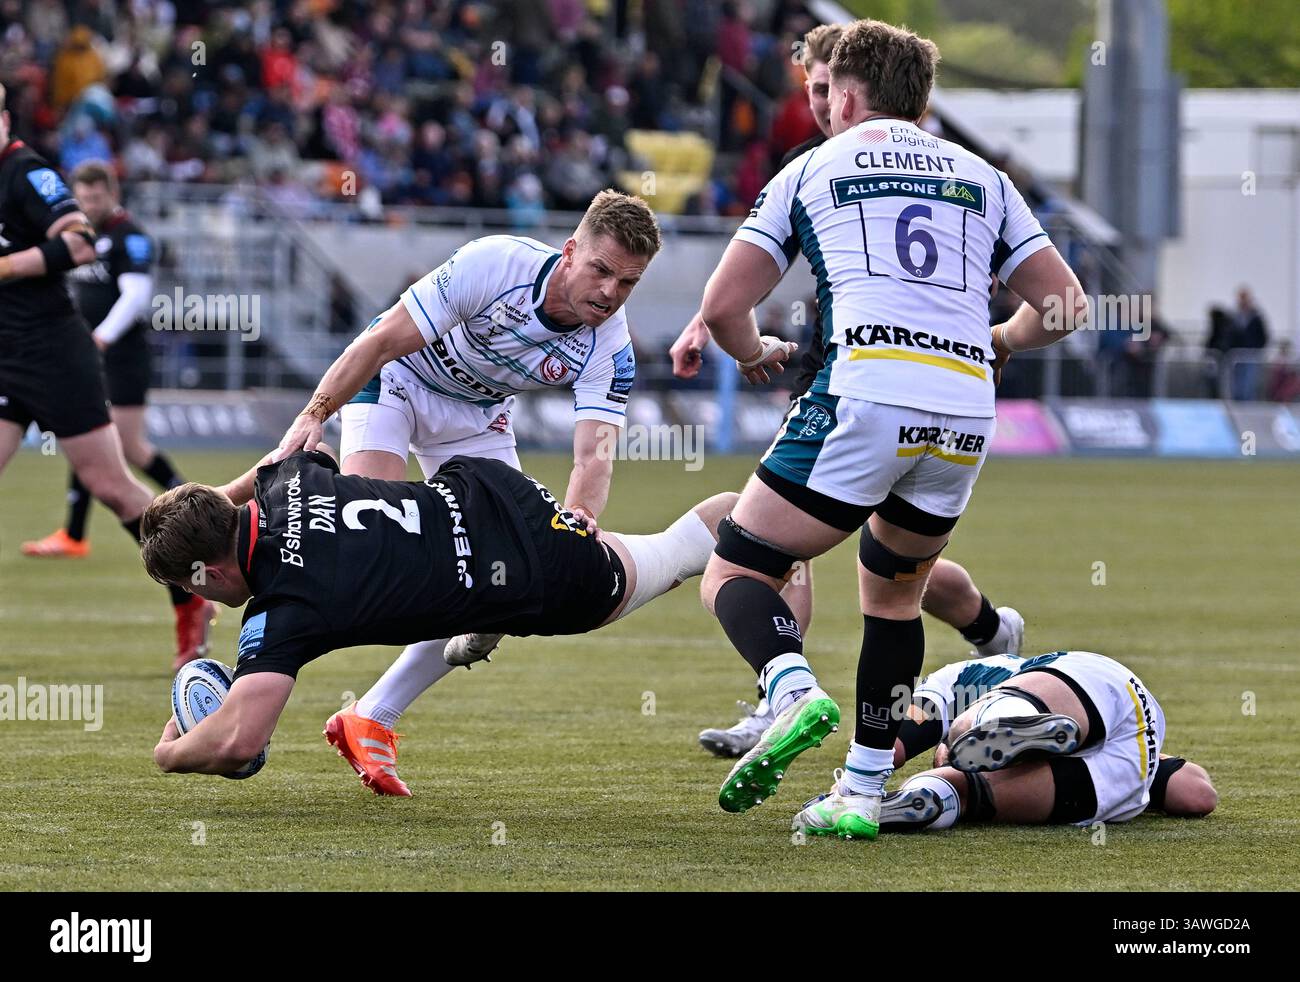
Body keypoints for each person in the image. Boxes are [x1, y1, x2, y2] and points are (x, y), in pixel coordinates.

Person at [694, 19, 1088, 838]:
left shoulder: (814, 166)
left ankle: (791, 688)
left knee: (736, 569)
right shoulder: (985, 175)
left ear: (845, 93)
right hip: (964, 407)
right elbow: (1065, 306)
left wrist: (753, 350)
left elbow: (724, 307)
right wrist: (1001, 340)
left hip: (866, 392)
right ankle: (863, 790)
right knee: (894, 597)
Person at [270, 190, 662, 794]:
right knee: (372, 545)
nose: (610, 293)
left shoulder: (610, 345)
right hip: (397, 381)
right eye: (601, 271)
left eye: (628, 283)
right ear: (570, 251)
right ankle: (254, 653)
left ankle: (370, 716)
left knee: (513, 572)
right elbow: (378, 344)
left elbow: (594, 453)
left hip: (478, 418)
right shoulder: (494, 264)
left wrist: (579, 519)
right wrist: (315, 413)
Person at [144, 447, 734, 785]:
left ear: (211, 573)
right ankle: (476, 621)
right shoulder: (285, 481)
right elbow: (291, 456)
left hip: (538, 568)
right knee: (452, 574)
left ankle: (768, 523)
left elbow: (240, 742)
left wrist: (171, 753)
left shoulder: (282, 613)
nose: (197, 597)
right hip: (486, 484)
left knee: (669, 560)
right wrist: (210, 504)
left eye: (187, 585)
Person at [0, 84, 214, 669]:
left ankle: (191, 591)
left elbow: (79, 241)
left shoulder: (26, 171)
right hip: (6, 354)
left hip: (54, 354)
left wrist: (6, 266)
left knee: (114, 485)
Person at [801, 650, 1217, 836]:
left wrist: (844, 794)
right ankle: (928, 794)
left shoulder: (949, 681)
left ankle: (978, 744)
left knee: (966, 744)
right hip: (1126, 763)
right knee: (963, 790)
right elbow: (1197, 794)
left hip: (1089, 684)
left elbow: (890, 743)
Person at [22, 160, 188, 559]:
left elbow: (135, 296)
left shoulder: (129, 237)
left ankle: (193, 505)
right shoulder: (76, 235)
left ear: (112, 194)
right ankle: (74, 534)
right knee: (96, 441)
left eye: (97, 197)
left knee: (128, 446)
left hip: (122, 358)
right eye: (83, 197)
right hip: (84, 355)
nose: (90, 204)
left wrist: (102, 338)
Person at [1228, 287, 1268, 401]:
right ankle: (1237, 405)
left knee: (1249, 383)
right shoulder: (1235, 317)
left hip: (1251, 355)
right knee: (1237, 384)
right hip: (1236, 354)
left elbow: (1263, 336)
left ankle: (1248, 405)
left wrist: (1256, 348)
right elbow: (1230, 335)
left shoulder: (1256, 317)